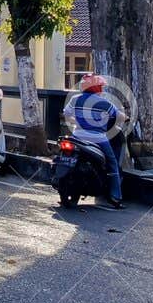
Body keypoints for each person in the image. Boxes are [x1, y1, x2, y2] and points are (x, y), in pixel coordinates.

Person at [62, 71, 124, 207]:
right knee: (112, 162)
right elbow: (120, 117)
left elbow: (66, 114)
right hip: (98, 138)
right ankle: (116, 196)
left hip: (77, 136)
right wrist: (125, 117)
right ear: (97, 88)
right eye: (100, 87)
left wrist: (77, 122)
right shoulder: (105, 103)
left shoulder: (75, 99)